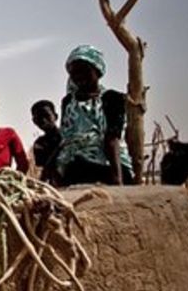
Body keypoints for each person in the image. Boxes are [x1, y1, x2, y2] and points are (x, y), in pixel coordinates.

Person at [55, 45, 133, 186]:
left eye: (84, 70)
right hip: (74, 165)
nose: (79, 76)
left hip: (108, 166)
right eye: (74, 72)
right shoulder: (68, 102)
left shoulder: (112, 98)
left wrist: (117, 178)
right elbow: (66, 139)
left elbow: (112, 138)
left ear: (98, 70)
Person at [30, 100, 62, 185]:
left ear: (55, 116)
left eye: (47, 116)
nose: (43, 120)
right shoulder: (39, 143)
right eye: (39, 118)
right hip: (57, 184)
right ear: (34, 121)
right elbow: (45, 169)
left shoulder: (68, 134)